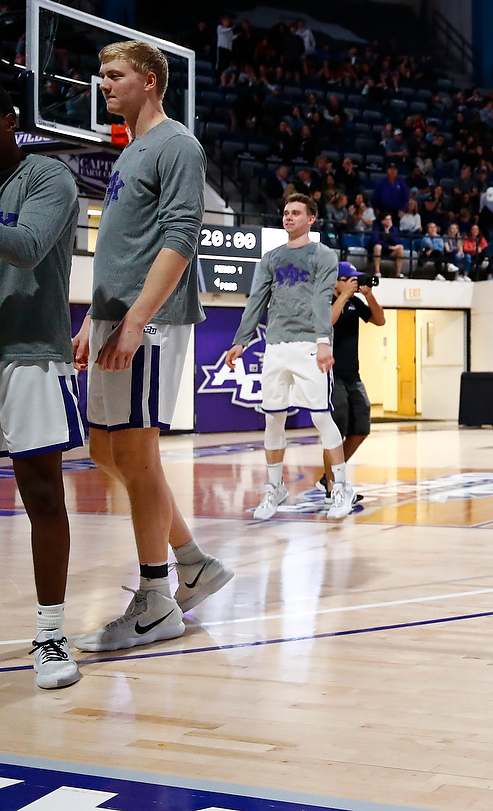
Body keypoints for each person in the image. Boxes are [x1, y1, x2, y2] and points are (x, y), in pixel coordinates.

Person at [71, 39, 233, 652]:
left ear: (149, 81)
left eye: (115, 75)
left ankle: (156, 598)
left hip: (150, 319)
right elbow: (123, 247)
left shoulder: (177, 144)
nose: (104, 84)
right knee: (105, 449)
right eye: (102, 74)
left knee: (136, 456)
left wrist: (137, 318)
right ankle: (191, 562)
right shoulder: (130, 149)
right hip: (114, 316)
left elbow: (180, 237)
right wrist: (95, 317)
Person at [0, 84, 84, 688]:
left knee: (43, 496)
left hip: (29, 353)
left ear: (7, 121)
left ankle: (51, 634)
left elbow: (28, 248)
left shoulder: (47, 177)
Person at [224, 197, 352, 519]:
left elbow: (322, 299)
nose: (289, 217)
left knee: (321, 417)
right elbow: (256, 300)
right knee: (273, 418)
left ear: (311, 219)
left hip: (309, 344)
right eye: (285, 213)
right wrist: (241, 341)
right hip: (277, 345)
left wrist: (323, 342)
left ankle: (341, 487)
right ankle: (275, 487)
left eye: (296, 213)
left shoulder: (323, 255)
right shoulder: (271, 258)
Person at [318, 262, 385, 497]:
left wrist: (369, 296)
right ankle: (333, 486)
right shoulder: (324, 301)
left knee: (361, 427)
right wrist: (344, 296)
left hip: (353, 375)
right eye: (348, 280)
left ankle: (330, 475)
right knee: (336, 430)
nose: (353, 284)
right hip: (331, 374)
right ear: (336, 282)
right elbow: (327, 322)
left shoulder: (356, 303)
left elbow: (380, 320)